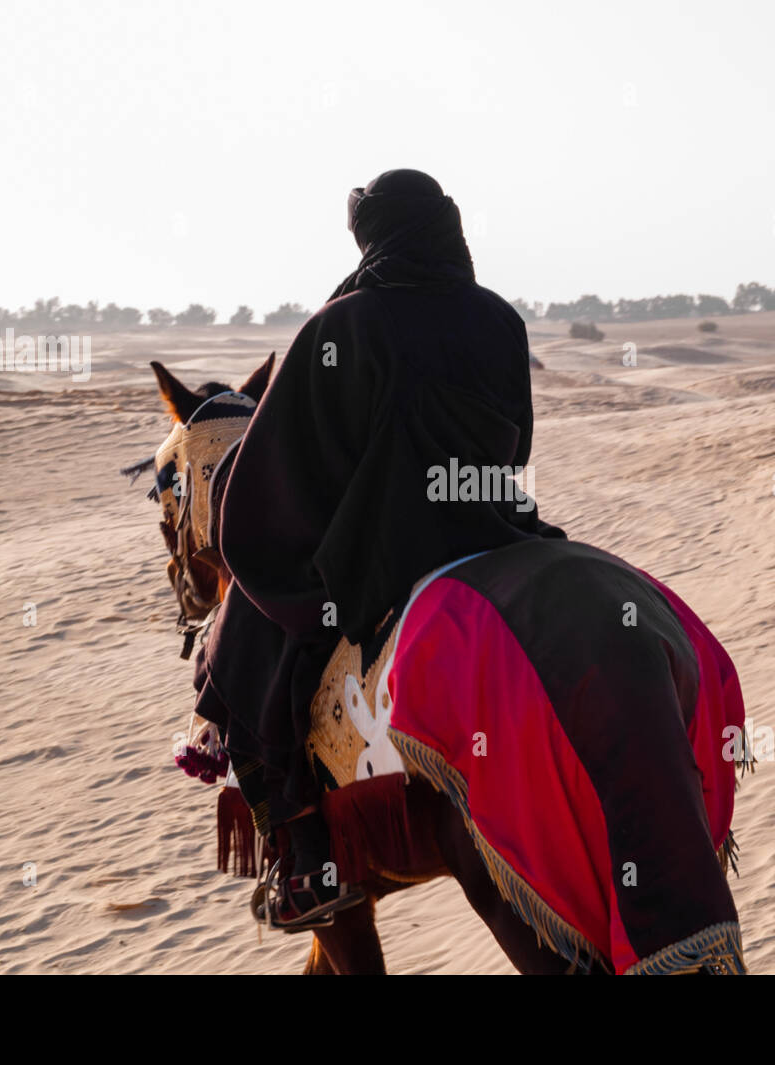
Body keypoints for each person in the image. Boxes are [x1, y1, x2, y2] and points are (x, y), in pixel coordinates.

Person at [192, 169, 564, 929]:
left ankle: (302, 854)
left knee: (246, 644)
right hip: (498, 529)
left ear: (372, 237)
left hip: (384, 557)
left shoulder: (344, 325)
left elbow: (269, 482)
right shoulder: (499, 319)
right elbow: (516, 440)